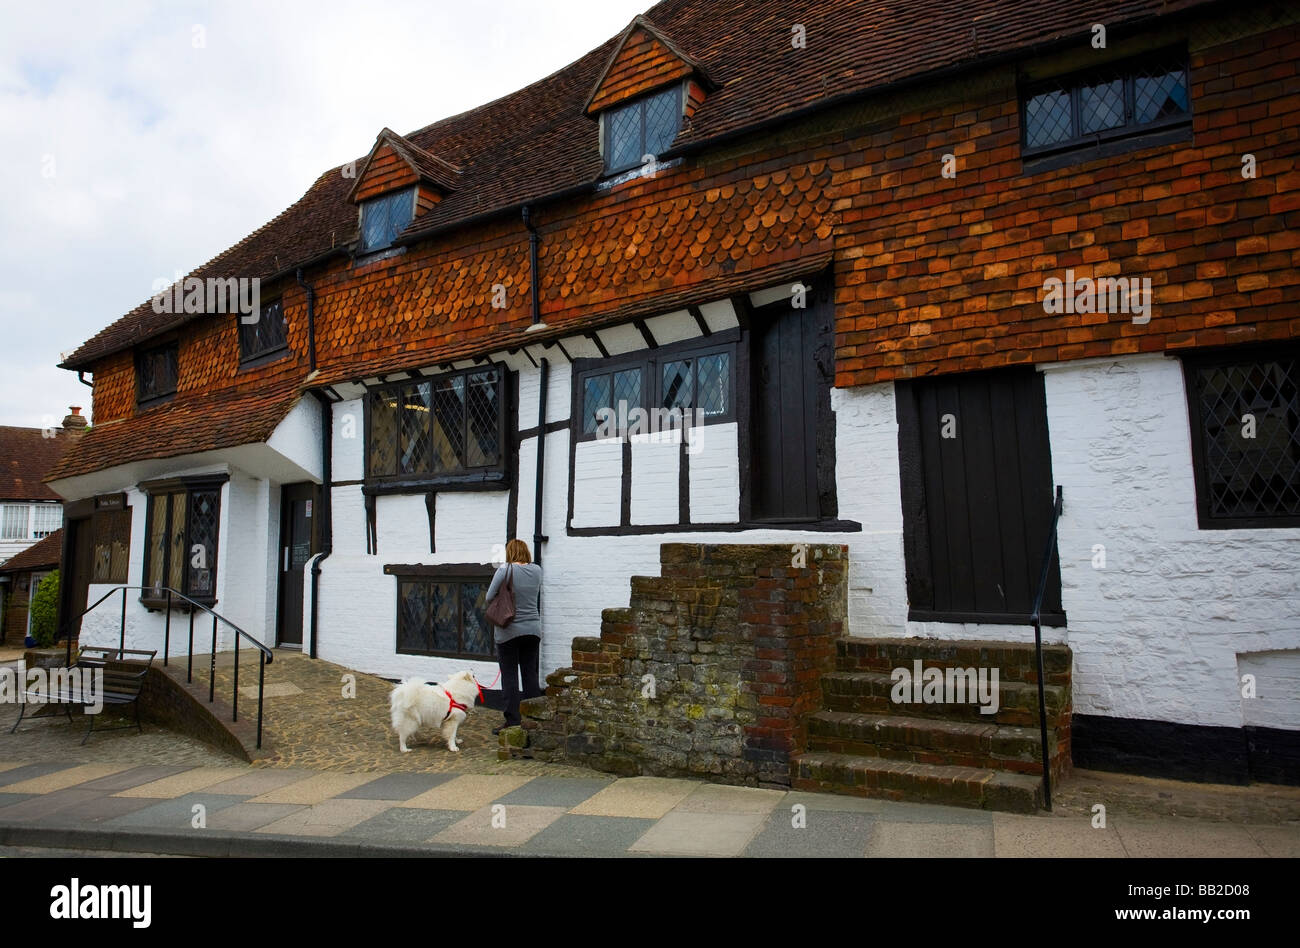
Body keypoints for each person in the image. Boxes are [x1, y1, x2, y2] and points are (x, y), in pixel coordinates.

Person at [485, 539, 543, 734]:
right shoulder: (537, 571)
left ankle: (513, 720)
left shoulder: (504, 570)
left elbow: (489, 596)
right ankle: (534, 718)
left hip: (509, 631)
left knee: (509, 676)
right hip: (533, 629)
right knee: (530, 674)